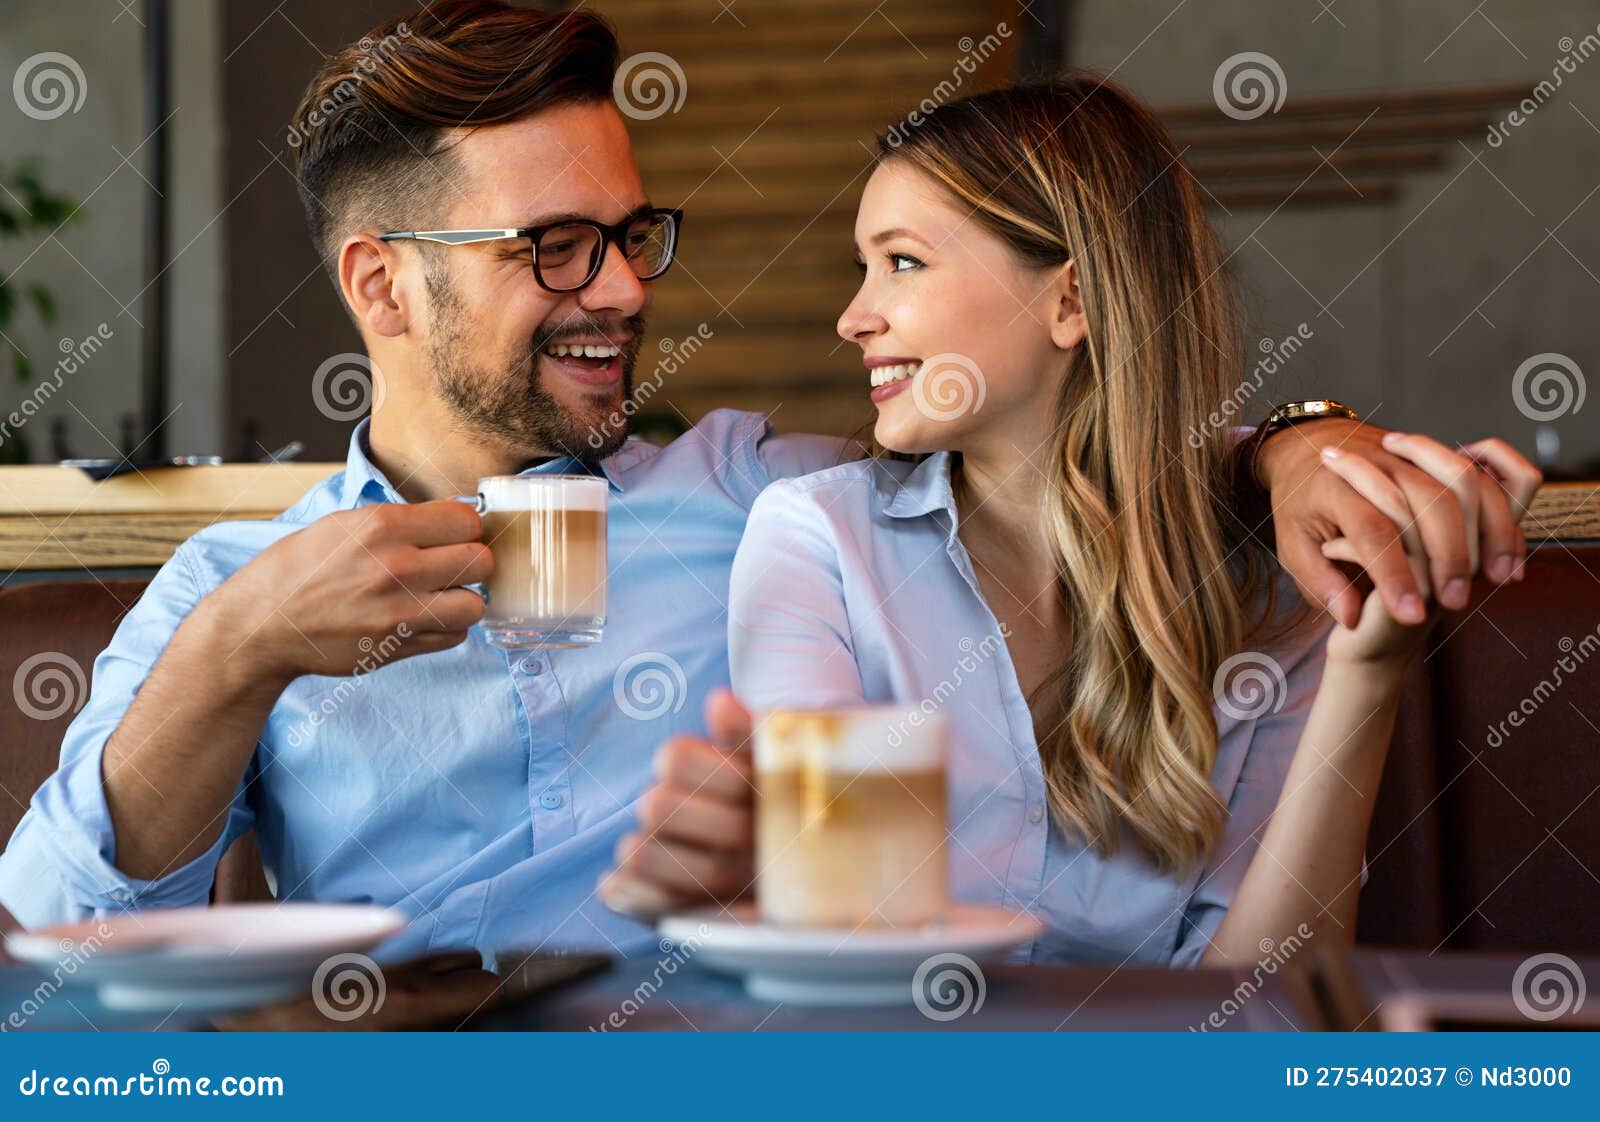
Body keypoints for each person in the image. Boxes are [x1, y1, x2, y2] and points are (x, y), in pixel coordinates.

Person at [0, 2, 1536, 965]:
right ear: (383, 289)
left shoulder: (762, 496)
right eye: (555, 248)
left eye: (631, 232)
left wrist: (1292, 441)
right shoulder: (229, 595)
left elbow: (1058, 456)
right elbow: (64, 939)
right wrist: (237, 655)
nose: (619, 288)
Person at [600, 77, 1542, 964]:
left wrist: (1367, 669)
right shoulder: (816, 538)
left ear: (1072, 300)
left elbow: (1265, 998)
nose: (855, 316)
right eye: (864, 268)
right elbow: (842, 925)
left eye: (902, 262)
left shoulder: (1268, 582)